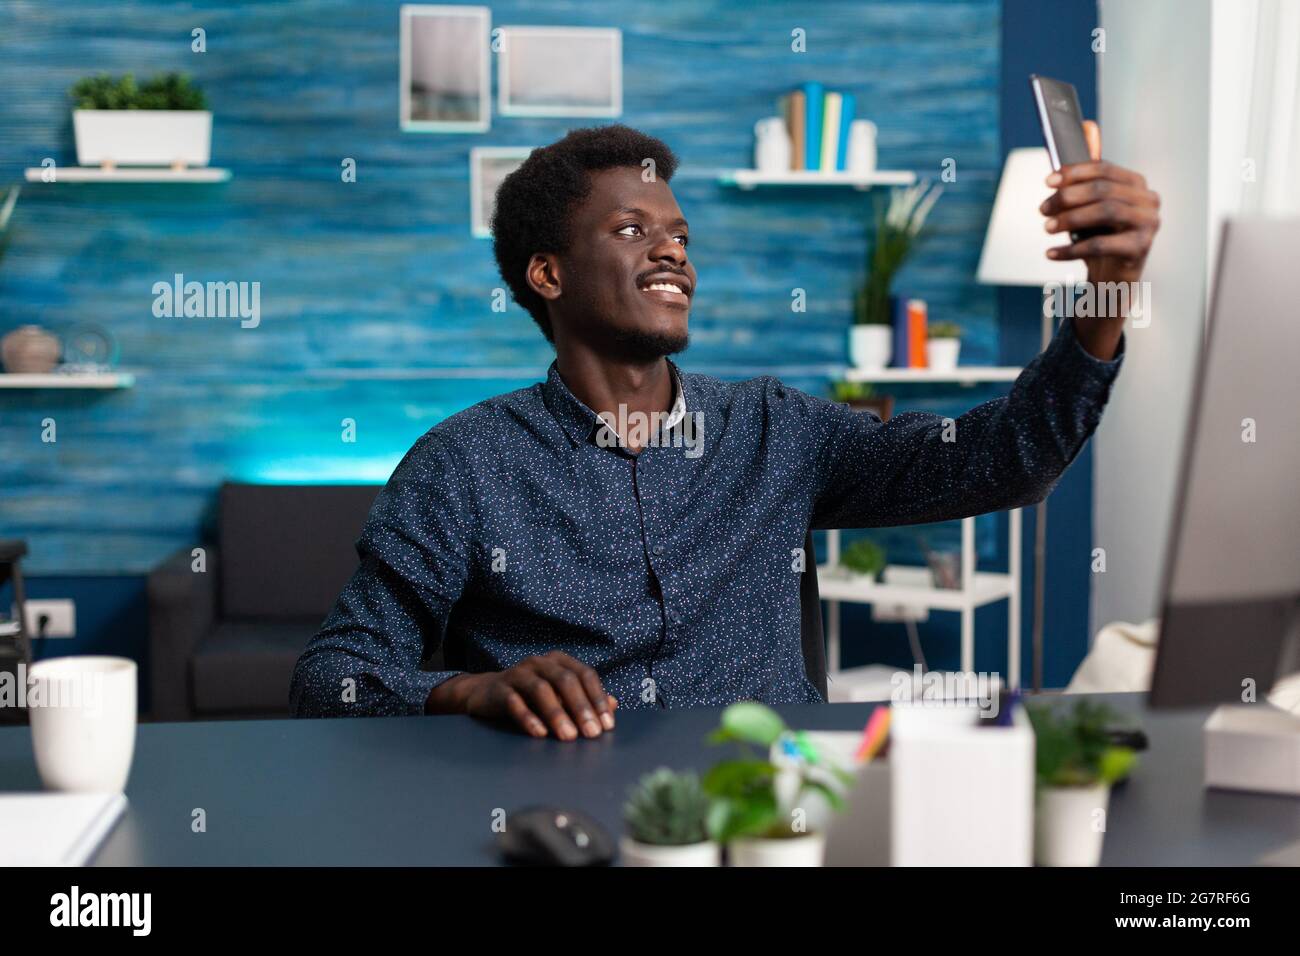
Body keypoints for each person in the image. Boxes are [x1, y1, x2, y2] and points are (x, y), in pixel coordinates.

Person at [290, 123, 1160, 739]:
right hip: (563, 812)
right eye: (632, 230)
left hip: (774, 811)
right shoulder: (464, 464)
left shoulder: (777, 430)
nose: (672, 251)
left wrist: (1109, 292)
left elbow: (1004, 461)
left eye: (679, 234)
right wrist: (471, 692)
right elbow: (333, 678)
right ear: (546, 274)